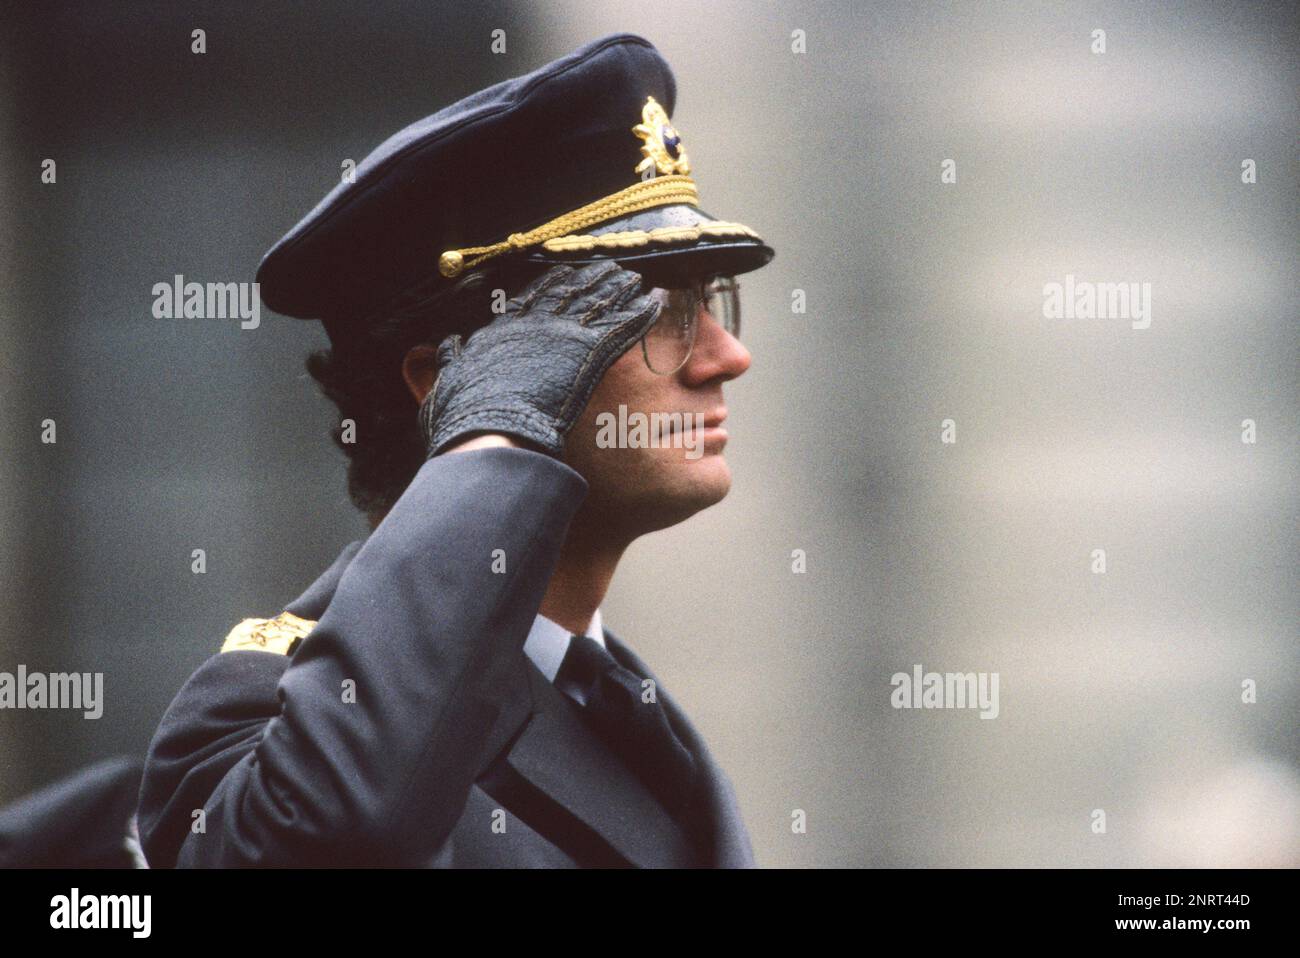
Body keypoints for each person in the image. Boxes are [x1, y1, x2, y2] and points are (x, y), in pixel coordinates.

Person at [136, 32, 774, 868]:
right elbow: (325, 835)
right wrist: (491, 437)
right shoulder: (266, 712)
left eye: (710, 300)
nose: (727, 357)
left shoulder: (624, 708)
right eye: (657, 313)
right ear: (449, 383)